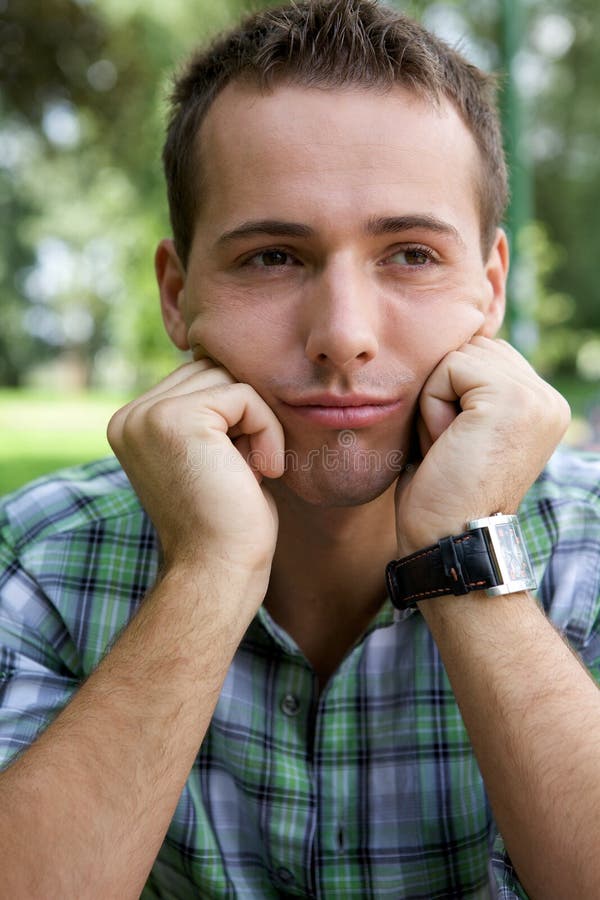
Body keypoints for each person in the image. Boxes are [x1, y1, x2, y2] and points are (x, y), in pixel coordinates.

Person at [1, 1, 599, 897]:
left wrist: (465, 555)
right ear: (176, 294)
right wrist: (209, 572)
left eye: (409, 254)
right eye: (274, 257)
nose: (344, 336)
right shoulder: (39, 559)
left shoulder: (589, 550)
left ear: (490, 287)